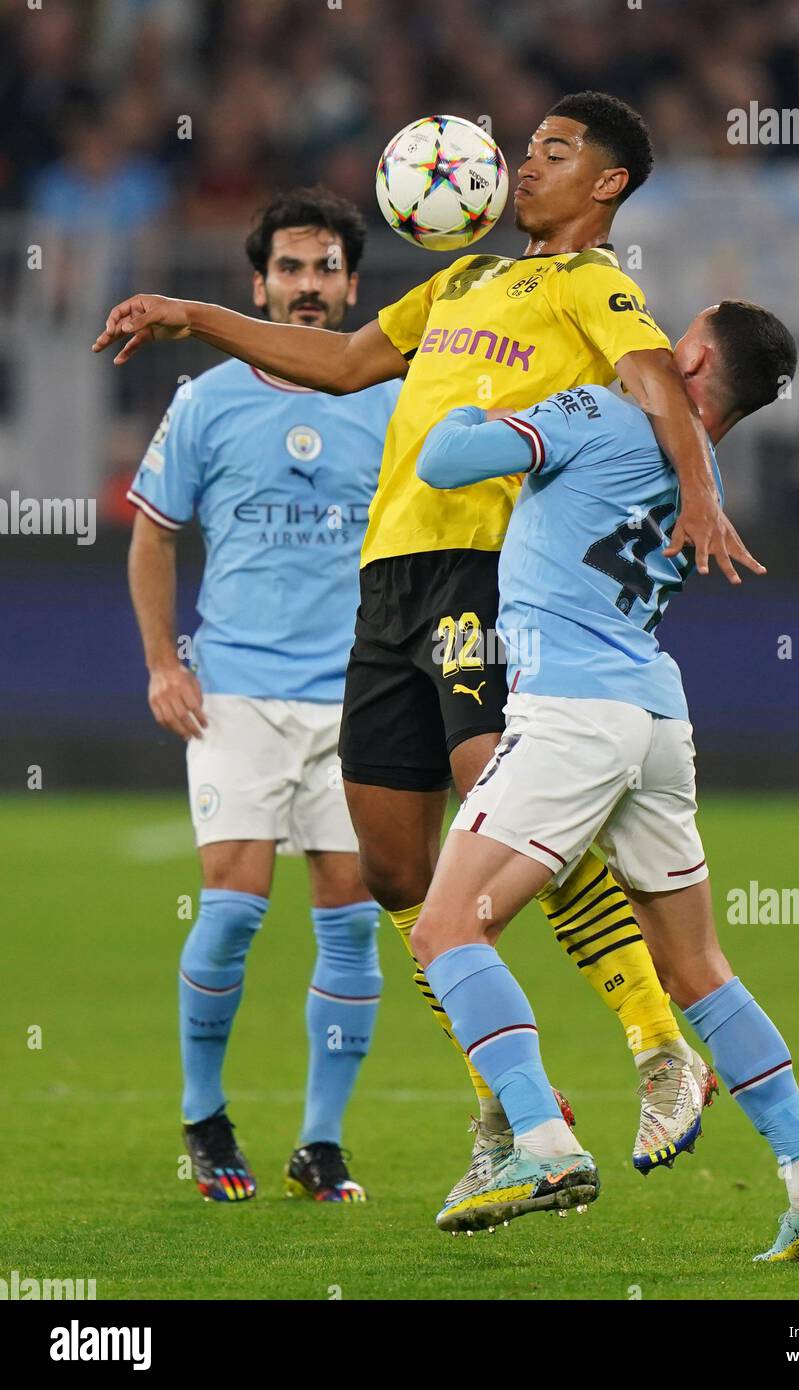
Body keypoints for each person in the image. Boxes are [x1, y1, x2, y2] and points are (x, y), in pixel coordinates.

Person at [95, 92, 761, 1191]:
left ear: (604, 185)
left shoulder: (591, 285)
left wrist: (699, 490)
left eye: (551, 151)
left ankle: (654, 1045)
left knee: (493, 817)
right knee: (397, 870)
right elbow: (344, 362)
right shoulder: (462, 283)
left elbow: (652, 384)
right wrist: (191, 313)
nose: (523, 164)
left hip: (481, 570)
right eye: (524, 147)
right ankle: (508, 1107)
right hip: (386, 591)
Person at [411, 300, 799, 1263]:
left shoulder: (599, 414)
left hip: (570, 714)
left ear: (691, 355)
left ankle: (536, 1139)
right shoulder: (707, 472)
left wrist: (476, 393)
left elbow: (443, 460)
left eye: (673, 332)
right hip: (656, 717)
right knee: (697, 969)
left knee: (447, 929)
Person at [127, 188, 399, 1204]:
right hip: (235, 688)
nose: (308, 287)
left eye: (325, 269)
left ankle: (320, 1142)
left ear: (351, 285)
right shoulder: (205, 400)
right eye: (290, 269)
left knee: (349, 922)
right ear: (258, 285)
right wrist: (164, 662)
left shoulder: (389, 396)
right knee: (234, 909)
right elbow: (153, 531)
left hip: (354, 698)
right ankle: (204, 1113)